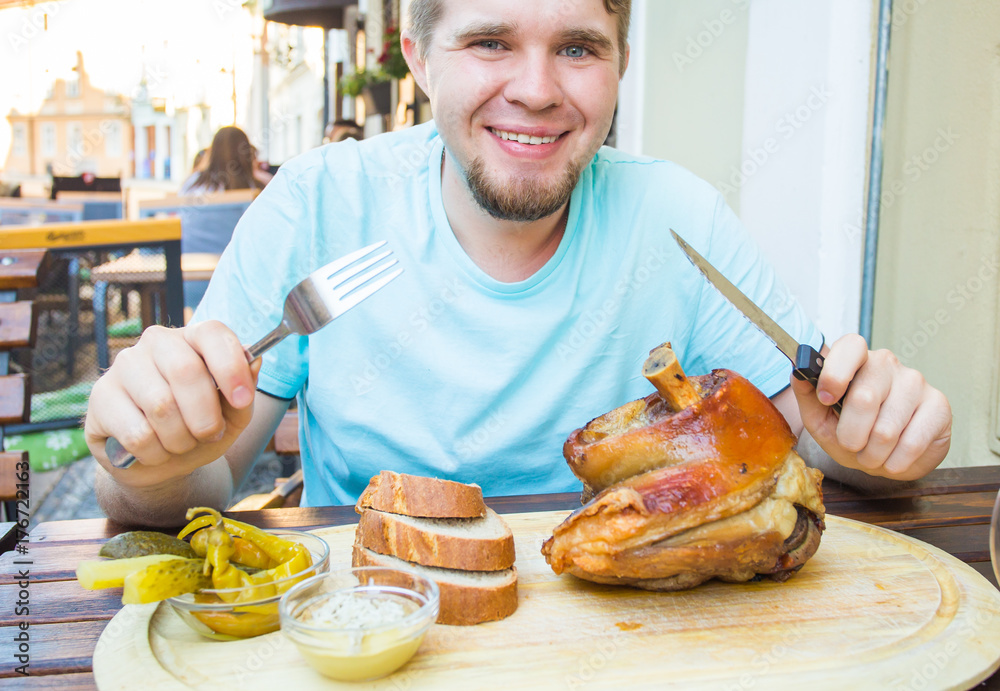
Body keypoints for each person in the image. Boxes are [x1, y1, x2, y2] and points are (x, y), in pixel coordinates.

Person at [85, 0, 952, 527]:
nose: (538, 88)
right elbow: (184, 484)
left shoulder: (679, 219)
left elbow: (809, 434)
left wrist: (871, 444)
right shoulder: (321, 205)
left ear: (619, 65)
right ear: (418, 56)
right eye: (490, 41)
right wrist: (146, 459)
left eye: (578, 47)